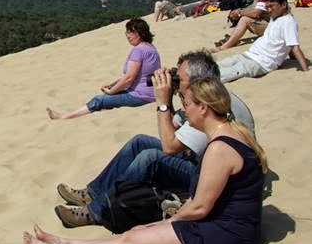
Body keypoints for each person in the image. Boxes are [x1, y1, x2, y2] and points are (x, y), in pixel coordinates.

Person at [24, 78, 266, 244]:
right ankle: (65, 243)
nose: (183, 110)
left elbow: (200, 208)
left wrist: (167, 222)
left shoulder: (219, 148)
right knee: (136, 233)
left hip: (227, 232)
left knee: (132, 242)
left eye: (187, 103)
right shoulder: (232, 132)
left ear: (204, 107)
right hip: (228, 223)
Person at [54, 50, 255, 228]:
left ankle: (98, 211)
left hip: (214, 179)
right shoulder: (209, 96)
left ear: (196, 81)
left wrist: (162, 101)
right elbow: (175, 128)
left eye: (179, 77)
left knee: (150, 157)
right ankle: (92, 193)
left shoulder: (206, 107)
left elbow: (169, 146)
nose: (175, 79)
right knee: (139, 141)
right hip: (203, 160)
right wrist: (171, 98)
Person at [47, 18, 161, 120]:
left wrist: (112, 91)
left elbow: (129, 78)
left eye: (131, 32)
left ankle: (64, 117)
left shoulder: (138, 50)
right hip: (151, 93)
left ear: (140, 33)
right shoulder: (150, 48)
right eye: (127, 32)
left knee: (99, 99)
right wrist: (112, 84)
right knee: (108, 97)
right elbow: (132, 76)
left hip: (141, 95)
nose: (128, 35)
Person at [216, 0, 308, 83]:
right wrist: (291, 57)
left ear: (283, 5)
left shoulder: (288, 22)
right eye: (267, 7)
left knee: (221, 75)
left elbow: (294, 47)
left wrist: (305, 70)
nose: (269, 10)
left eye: (272, 6)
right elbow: (287, 44)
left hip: (260, 63)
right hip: (248, 55)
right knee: (214, 66)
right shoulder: (275, 17)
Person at [211, 0, 282, 52]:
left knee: (245, 19)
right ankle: (231, 38)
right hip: (280, 25)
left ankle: (225, 46)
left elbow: (256, 13)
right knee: (246, 16)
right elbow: (258, 9)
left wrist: (240, 12)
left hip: (277, 28)